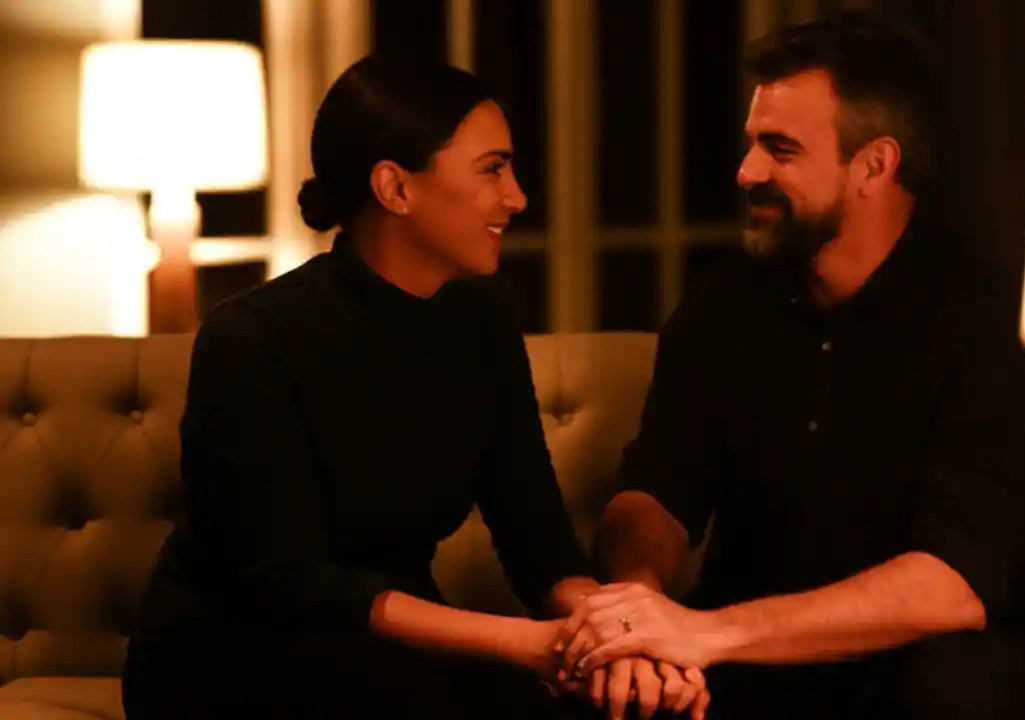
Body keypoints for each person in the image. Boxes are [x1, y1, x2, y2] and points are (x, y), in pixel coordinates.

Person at [122, 56, 706, 719]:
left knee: (620, 702)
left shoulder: (481, 326)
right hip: (230, 656)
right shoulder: (252, 339)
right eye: (493, 169)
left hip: (390, 653)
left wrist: (627, 641)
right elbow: (288, 585)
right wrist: (531, 644)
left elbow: (539, 546)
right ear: (395, 187)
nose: (516, 197)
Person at [557, 12, 1025, 719]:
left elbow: (952, 583)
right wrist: (639, 606)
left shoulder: (986, 323)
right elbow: (656, 491)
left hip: (916, 662)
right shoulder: (724, 303)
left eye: (779, 149)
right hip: (743, 664)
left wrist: (706, 632)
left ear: (874, 166)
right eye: (751, 143)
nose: (746, 172)